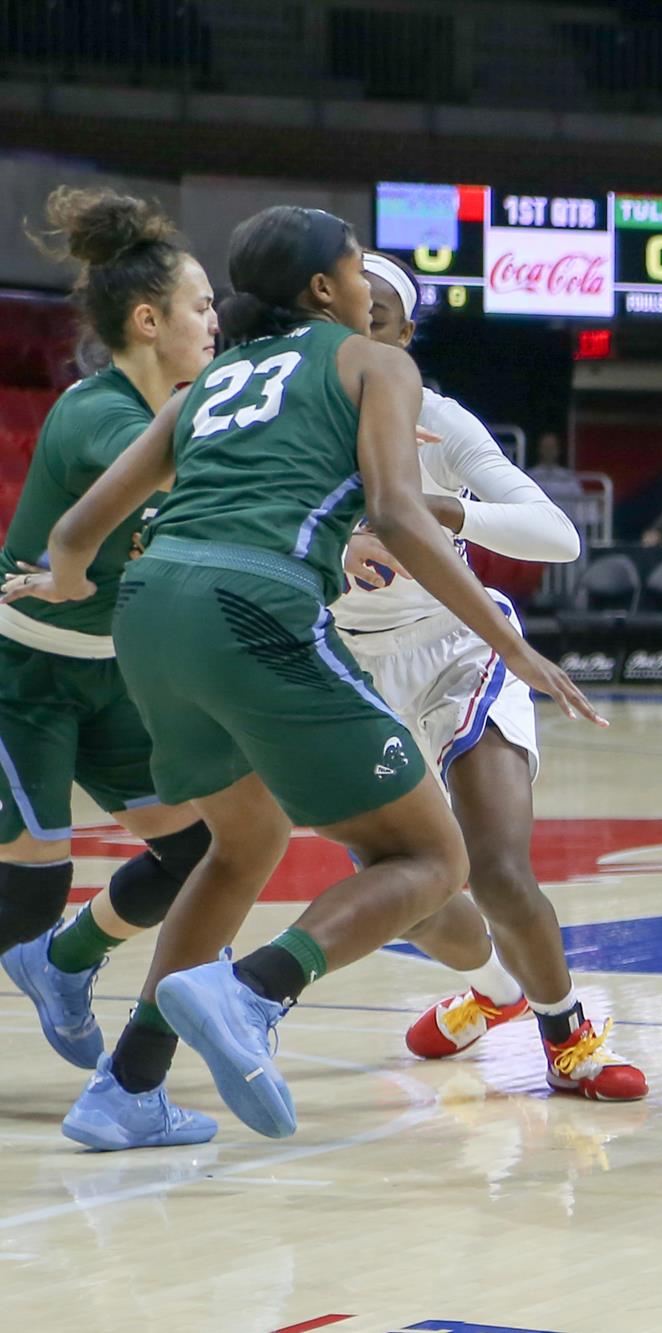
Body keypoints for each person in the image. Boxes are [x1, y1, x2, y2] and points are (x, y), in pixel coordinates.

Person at [2, 205, 603, 1148]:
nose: (368, 283)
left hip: (150, 618)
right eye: (358, 265)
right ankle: (255, 992)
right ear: (326, 287)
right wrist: (512, 639)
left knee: (239, 845)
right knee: (435, 860)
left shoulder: (216, 378)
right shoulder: (373, 364)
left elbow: (78, 528)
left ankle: (126, 1088)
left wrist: (68, 579)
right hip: (257, 609)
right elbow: (404, 521)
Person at [337, 251, 645, 1100]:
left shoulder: (441, 421)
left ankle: (567, 1034)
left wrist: (444, 509)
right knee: (407, 887)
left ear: (404, 337)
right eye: (345, 318)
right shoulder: (295, 429)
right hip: (349, 670)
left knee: (499, 868)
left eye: (379, 319)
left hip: (459, 649)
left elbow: (560, 537)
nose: (361, 334)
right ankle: (499, 993)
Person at [0, 190, 221, 1146]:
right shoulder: (100, 415)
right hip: (23, 676)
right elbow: (167, 474)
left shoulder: (177, 412)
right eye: (202, 306)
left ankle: (68, 962)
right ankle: (47, 943)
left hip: (111, 677)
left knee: (202, 849)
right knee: (34, 874)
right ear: (148, 321)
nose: (216, 322)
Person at [526, 431, 588, 527]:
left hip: (565, 526)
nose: (549, 451)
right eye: (546, 447)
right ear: (539, 449)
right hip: (537, 526)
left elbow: (580, 506)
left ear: (558, 450)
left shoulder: (569, 477)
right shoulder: (530, 476)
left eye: (552, 448)